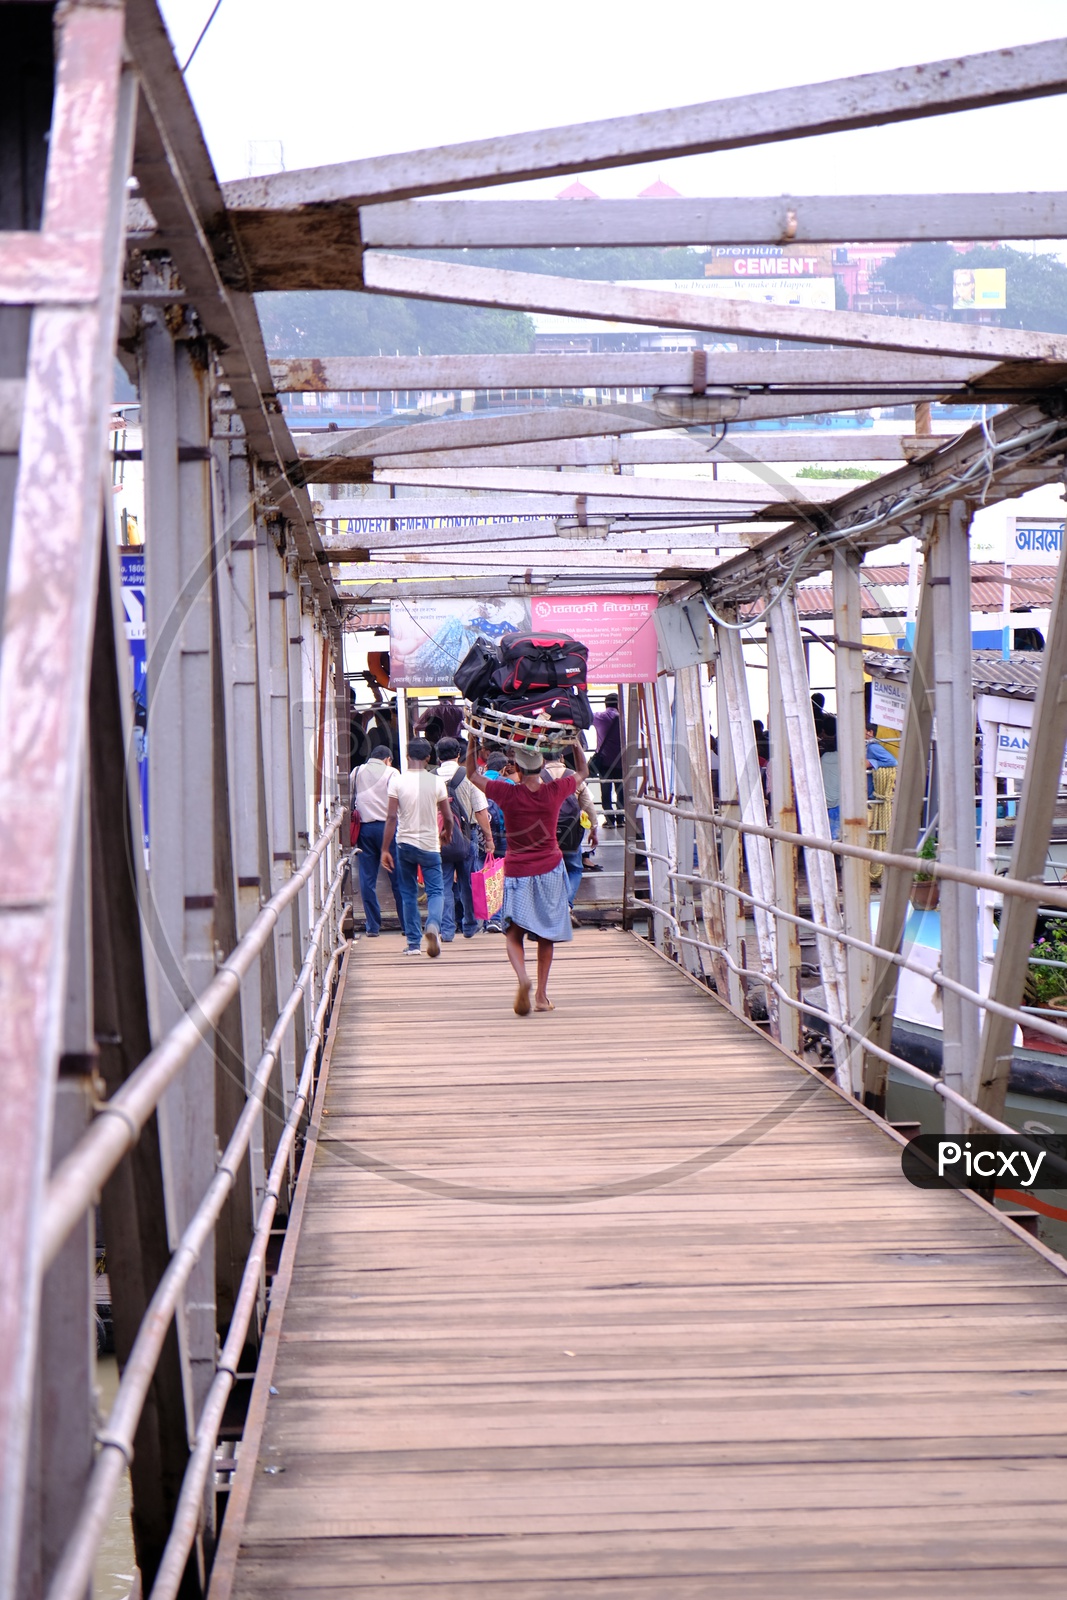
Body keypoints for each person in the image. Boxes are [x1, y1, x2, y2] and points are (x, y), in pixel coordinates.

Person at [466, 738, 590, 1014]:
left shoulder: (507, 793)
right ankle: (542, 997)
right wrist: (575, 744)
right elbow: (582, 773)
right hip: (549, 868)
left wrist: (473, 741)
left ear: (518, 768)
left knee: (513, 933)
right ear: (542, 765)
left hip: (518, 869)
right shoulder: (554, 791)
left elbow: (472, 774)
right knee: (547, 935)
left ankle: (523, 978)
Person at [381, 739, 454, 958]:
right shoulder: (436, 782)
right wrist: (447, 833)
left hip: (405, 845)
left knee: (408, 893)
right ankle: (433, 925)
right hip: (431, 845)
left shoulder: (397, 781)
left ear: (406, 756)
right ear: (428, 758)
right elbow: (448, 817)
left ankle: (413, 943)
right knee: (436, 891)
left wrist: (385, 849)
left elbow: (392, 817)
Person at [435, 737, 494, 941]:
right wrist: (489, 839)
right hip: (467, 838)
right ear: (458, 754)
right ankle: (469, 926)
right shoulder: (469, 777)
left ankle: (447, 930)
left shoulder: (429, 778)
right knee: (467, 883)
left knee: (442, 885)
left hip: (439, 840)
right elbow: (480, 811)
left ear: (437, 756)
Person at [350, 744, 406, 938]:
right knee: (398, 877)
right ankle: (407, 925)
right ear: (387, 759)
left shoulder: (356, 772)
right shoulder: (392, 773)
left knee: (367, 879)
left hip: (364, 829)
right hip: (388, 828)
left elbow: (352, 797)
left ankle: (373, 926)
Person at [543, 746, 599, 916]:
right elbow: (588, 805)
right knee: (574, 868)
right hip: (571, 833)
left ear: (543, 760)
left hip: (546, 833)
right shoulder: (575, 777)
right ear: (561, 758)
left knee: (547, 869)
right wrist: (593, 829)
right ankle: (567, 904)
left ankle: (551, 907)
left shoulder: (537, 778)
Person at [590, 692, 624, 826]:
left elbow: (586, 716)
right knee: (620, 791)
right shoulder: (624, 718)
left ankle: (609, 821)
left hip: (604, 762)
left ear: (606, 704)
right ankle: (621, 820)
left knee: (606, 791)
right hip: (621, 762)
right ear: (618, 704)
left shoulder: (600, 717)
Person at [866, 726, 897, 798]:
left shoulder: (872, 747)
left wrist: (871, 763)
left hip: (871, 793)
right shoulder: (867, 746)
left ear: (870, 732)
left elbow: (893, 762)